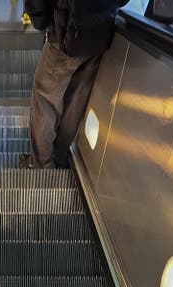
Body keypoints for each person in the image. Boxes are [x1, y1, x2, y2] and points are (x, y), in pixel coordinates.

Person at [20, 0, 128, 169]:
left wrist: (41, 20)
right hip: (99, 35)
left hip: (65, 31)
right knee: (76, 100)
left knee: (45, 101)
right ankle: (60, 158)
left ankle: (42, 165)